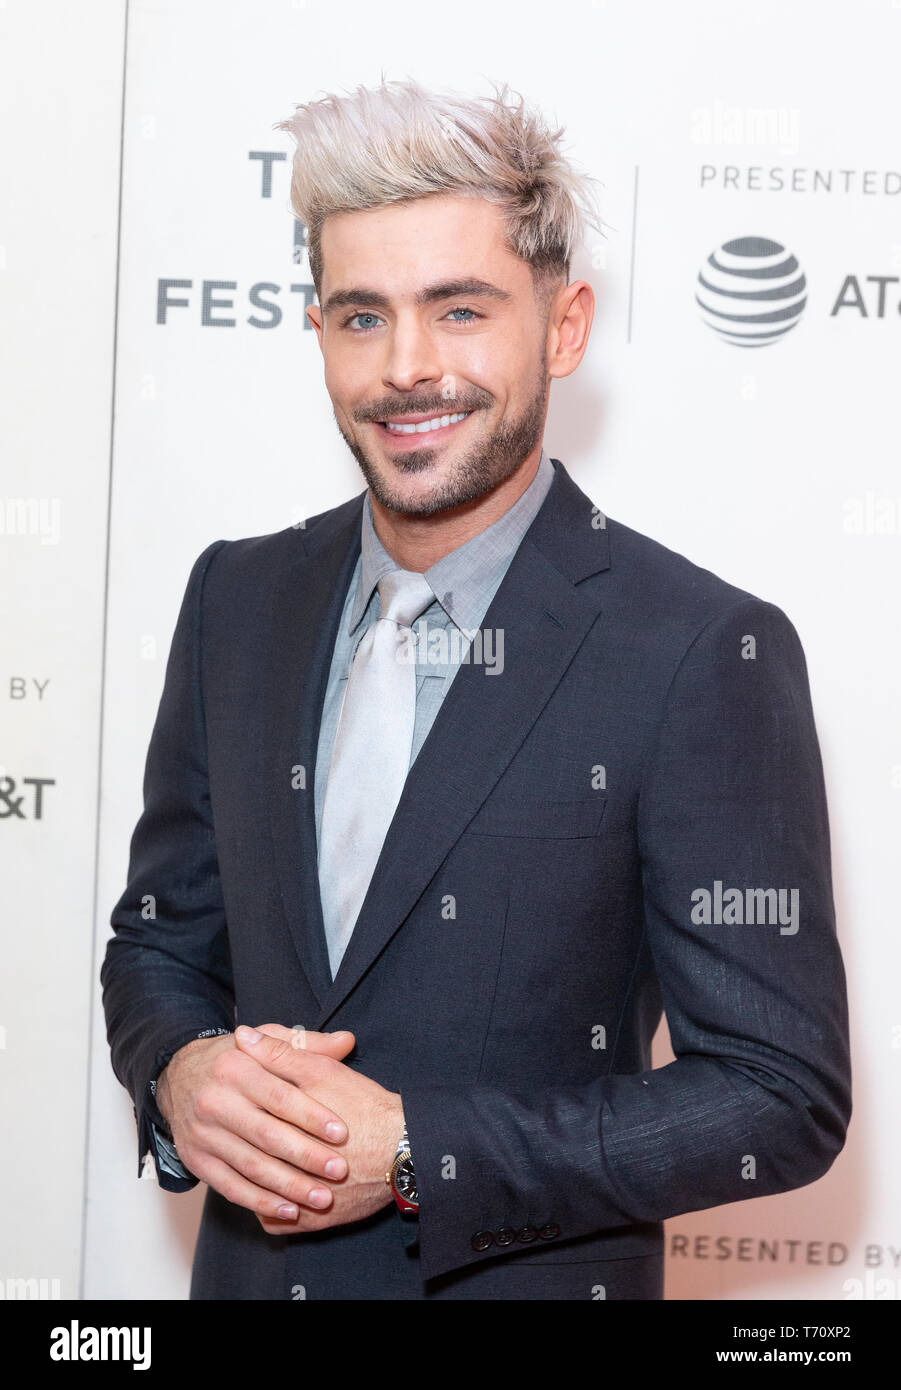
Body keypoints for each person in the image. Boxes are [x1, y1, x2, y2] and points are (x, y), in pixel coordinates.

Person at [101, 77, 851, 1301]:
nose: (406, 369)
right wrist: (179, 1071)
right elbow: (159, 945)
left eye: (458, 310)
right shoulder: (236, 601)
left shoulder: (698, 649)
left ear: (561, 328)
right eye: (360, 317)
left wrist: (414, 1155)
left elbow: (778, 1093)